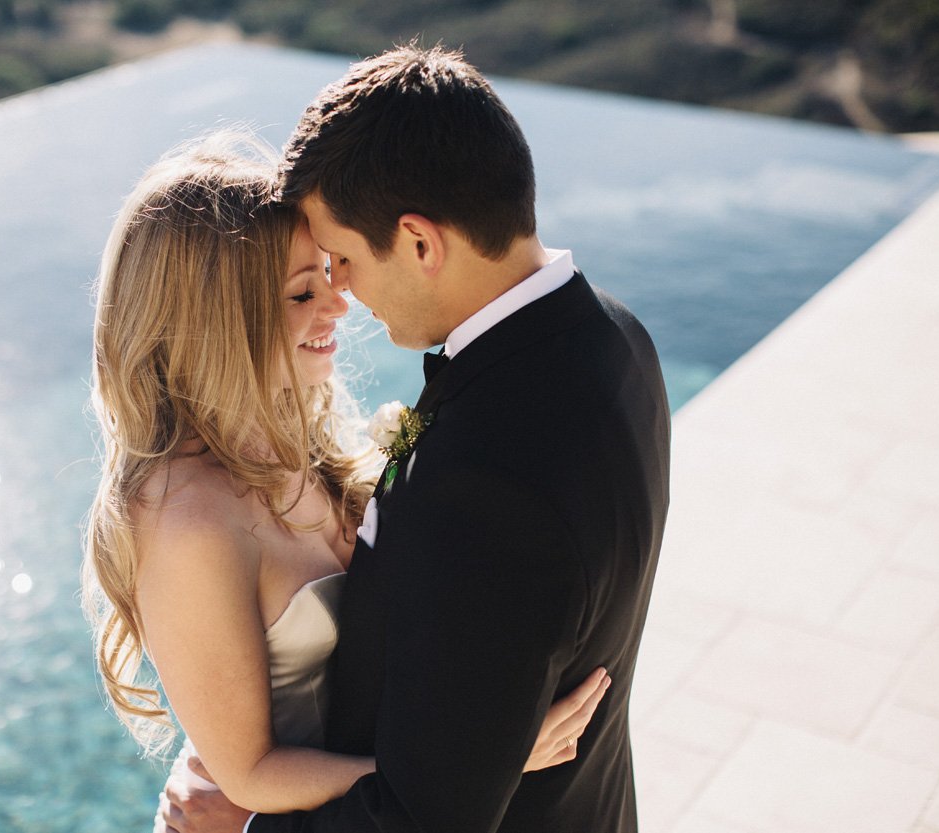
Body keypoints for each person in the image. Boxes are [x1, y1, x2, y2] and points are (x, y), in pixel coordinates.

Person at [161, 44, 671, 833]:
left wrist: (240, 826)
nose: (344, 293)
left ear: (421, 242)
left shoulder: (485, 482)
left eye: (344, 260)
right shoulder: (618, 340)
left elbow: (420, 819)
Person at [81, 134, 611, 827]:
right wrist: (478, 758)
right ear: (214, 320)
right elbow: (251, 771)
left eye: (330, 274)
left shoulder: (287, 432)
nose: (340, 304)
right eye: (303, 290)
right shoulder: (186, 519)